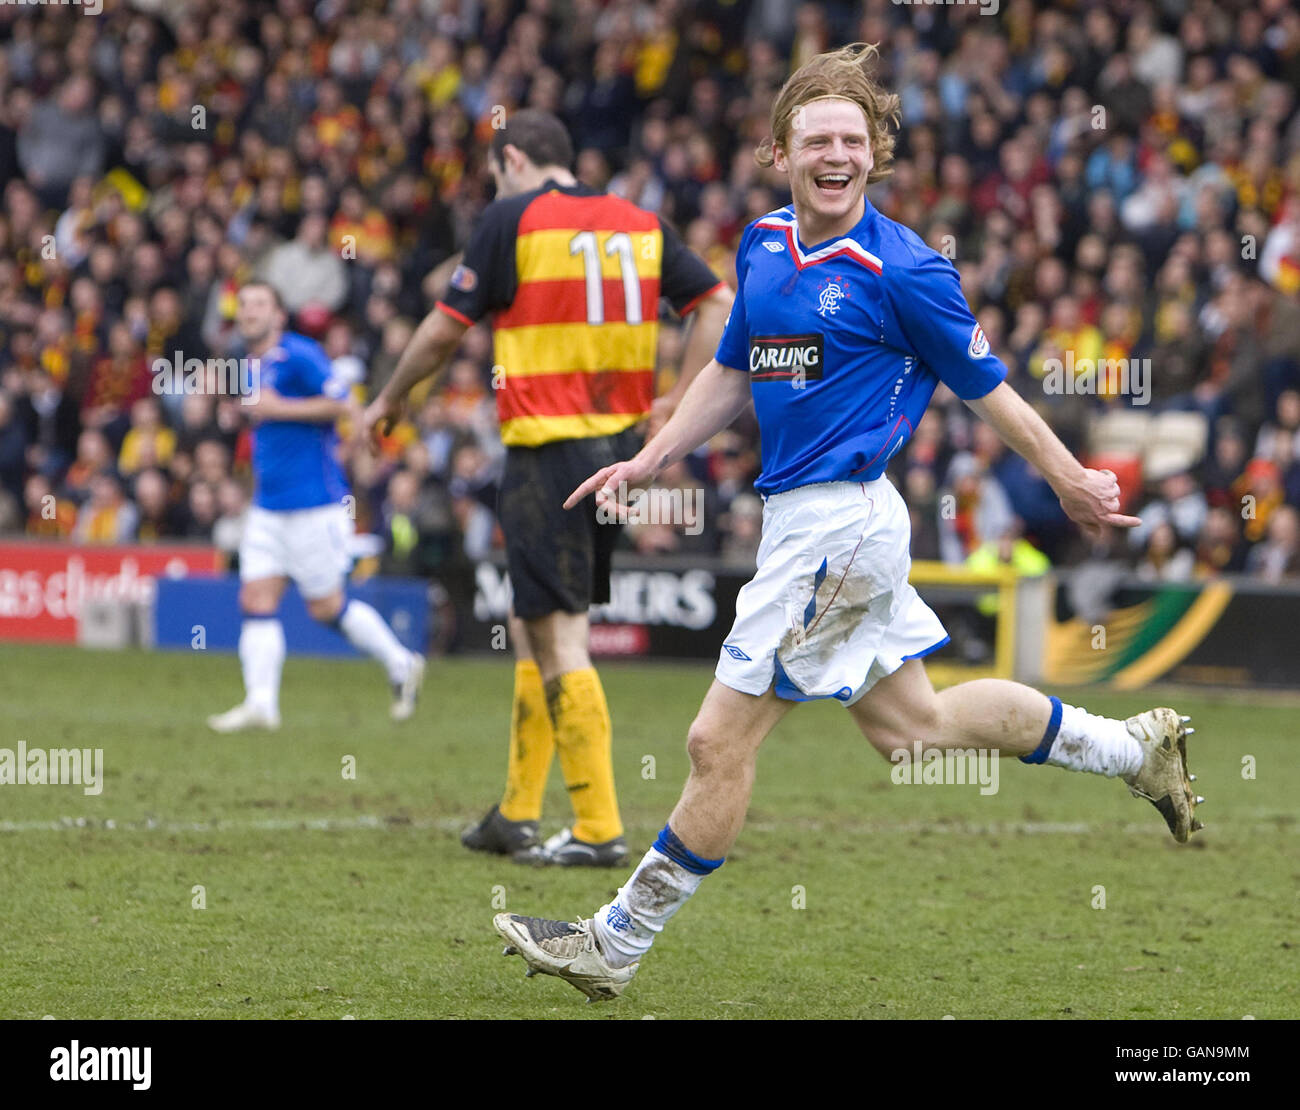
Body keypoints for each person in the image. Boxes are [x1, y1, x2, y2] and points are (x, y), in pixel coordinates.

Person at [492, 44, 1203, 1001]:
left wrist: (1072, 476)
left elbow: (987, 389)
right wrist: (656, 450)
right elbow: (734, 369)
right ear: (780, 152)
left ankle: (612, 945)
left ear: (876, 154)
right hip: (813, 525)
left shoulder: (906, 271)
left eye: (852, 140)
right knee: (918, 732)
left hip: (843, 526)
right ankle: (1134, 748)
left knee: (716, 742)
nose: (836, 155)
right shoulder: (760, 244)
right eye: (816, 139)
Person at [364, 109, 732, 867]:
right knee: (537, 624)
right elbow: (717, 304)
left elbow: (442, 330)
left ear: (511, 160)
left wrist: (391, 398)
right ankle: (518, 811)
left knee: (559, 633)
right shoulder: (640, 222)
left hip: (547, 453)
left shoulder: (513, 218)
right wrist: (675, 396)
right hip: (618, 453)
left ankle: (598, 827)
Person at [207, 281, 424, 732]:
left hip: (315, 503)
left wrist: (278, 408)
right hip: (267, 506)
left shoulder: (300, 354)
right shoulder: (248, 363)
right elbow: (264, 415)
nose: (249, 311)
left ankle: (401, 663)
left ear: (278, 316)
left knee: (326, 607)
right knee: (255, 597)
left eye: (260, 304)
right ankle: (261, 704)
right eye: (244, 304)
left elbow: (343, 404)